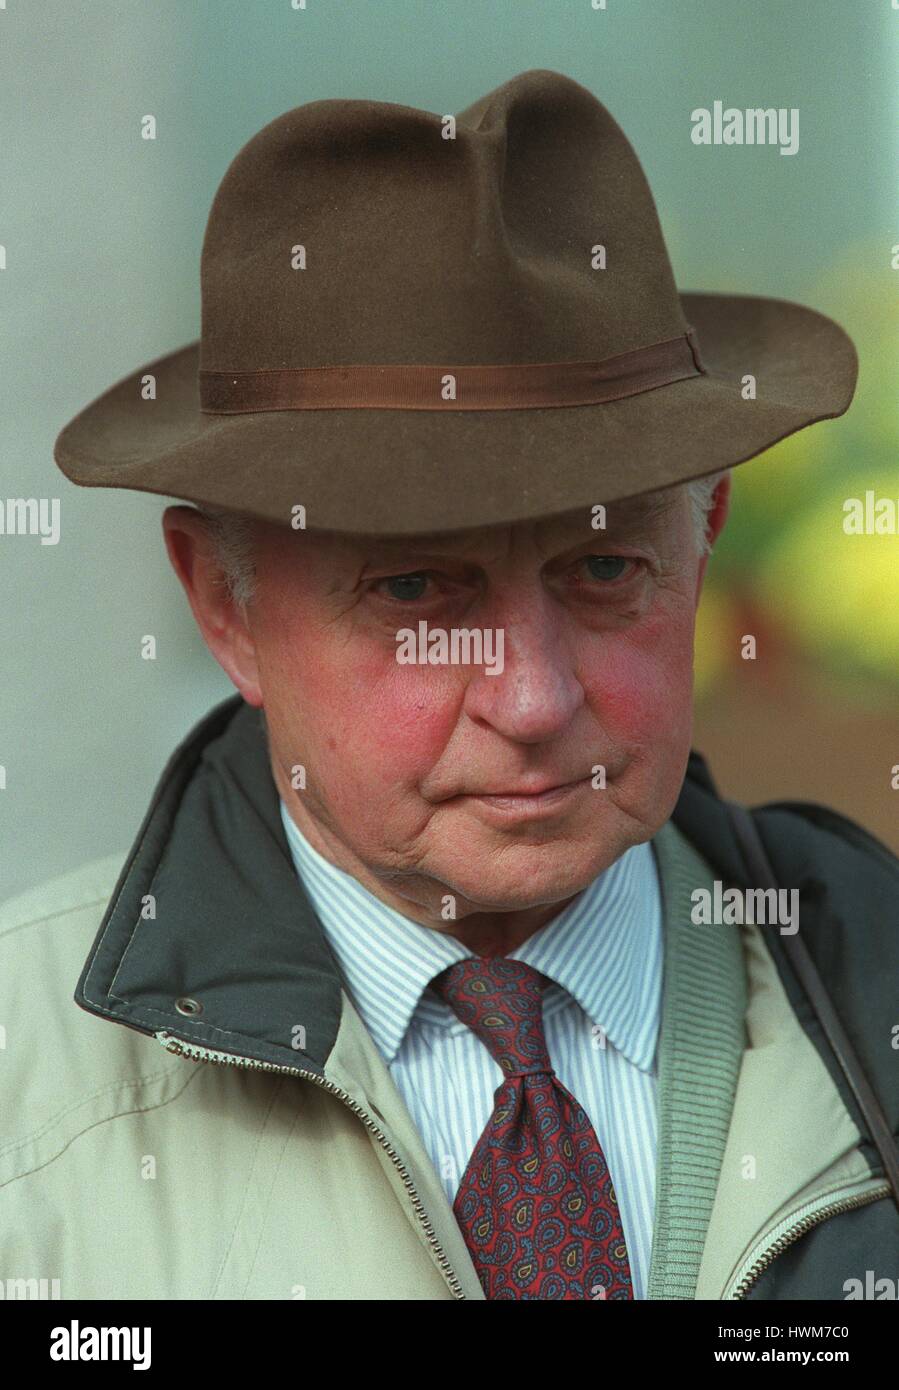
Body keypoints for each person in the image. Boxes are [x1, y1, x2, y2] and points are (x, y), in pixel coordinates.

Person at [4, 69, 897, 1301]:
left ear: (703, 545)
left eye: (601, 566)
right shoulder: (23, 1099)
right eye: (415, 592)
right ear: (226, 606)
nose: (529, 700)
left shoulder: (875, 980)